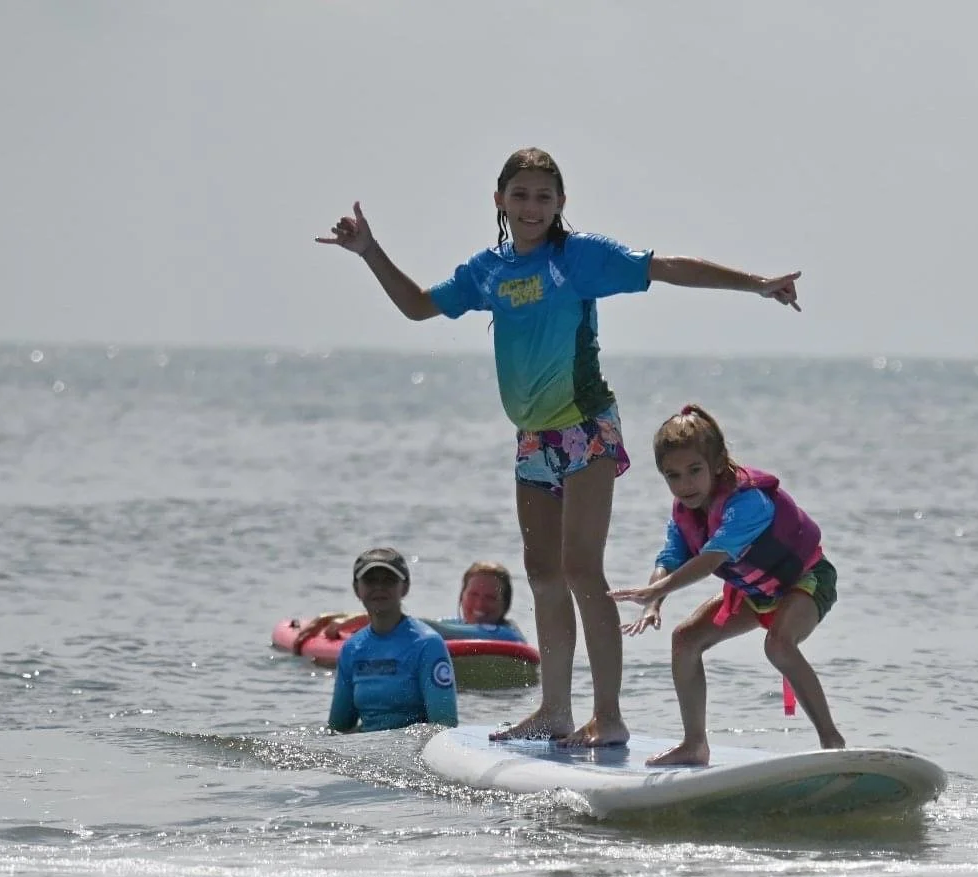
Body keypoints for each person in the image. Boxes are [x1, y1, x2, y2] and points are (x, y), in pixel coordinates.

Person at [318, 147, 802, 748]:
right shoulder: (488, 271)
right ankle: (554, 710)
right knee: (542, 573)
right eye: (520, 195)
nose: (531, 206)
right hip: (533, 438)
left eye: (543, 197)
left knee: (581, 569)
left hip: (585, 428)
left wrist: (757, 284)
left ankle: (609, 715)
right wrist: (369, 251)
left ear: (560, 203)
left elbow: (666, 267)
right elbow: (418, 306)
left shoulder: (579, 258)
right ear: (499, 200)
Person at [609, 405, 843, 767]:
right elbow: (669, 559)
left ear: (717, 463)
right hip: (756, 594)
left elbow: (710, 560)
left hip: (807, 579)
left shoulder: (748, 502)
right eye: (673, 476)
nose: (684, 485)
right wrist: (653, 602)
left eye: (694, 470)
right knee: (685, 639)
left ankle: (833, 743)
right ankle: (694, 745)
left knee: (778, 645)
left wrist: (656, 591)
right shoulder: (685, 513)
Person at [328, 548, 460, 733]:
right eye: (370, 580)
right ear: (357, 589)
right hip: (368, 745)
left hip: (411, 747)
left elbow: (444, 726)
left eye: (389, 580)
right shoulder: (351, 649)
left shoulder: (428, 644)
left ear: (405, 587)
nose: (379, 587)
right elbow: (338, 728)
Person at [435, 560, 527, 643]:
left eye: (490, 598)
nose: (480, 604)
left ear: (505, 605)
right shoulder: (448, 625)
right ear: (461, 597)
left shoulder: (510, 636)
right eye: (473, 594)